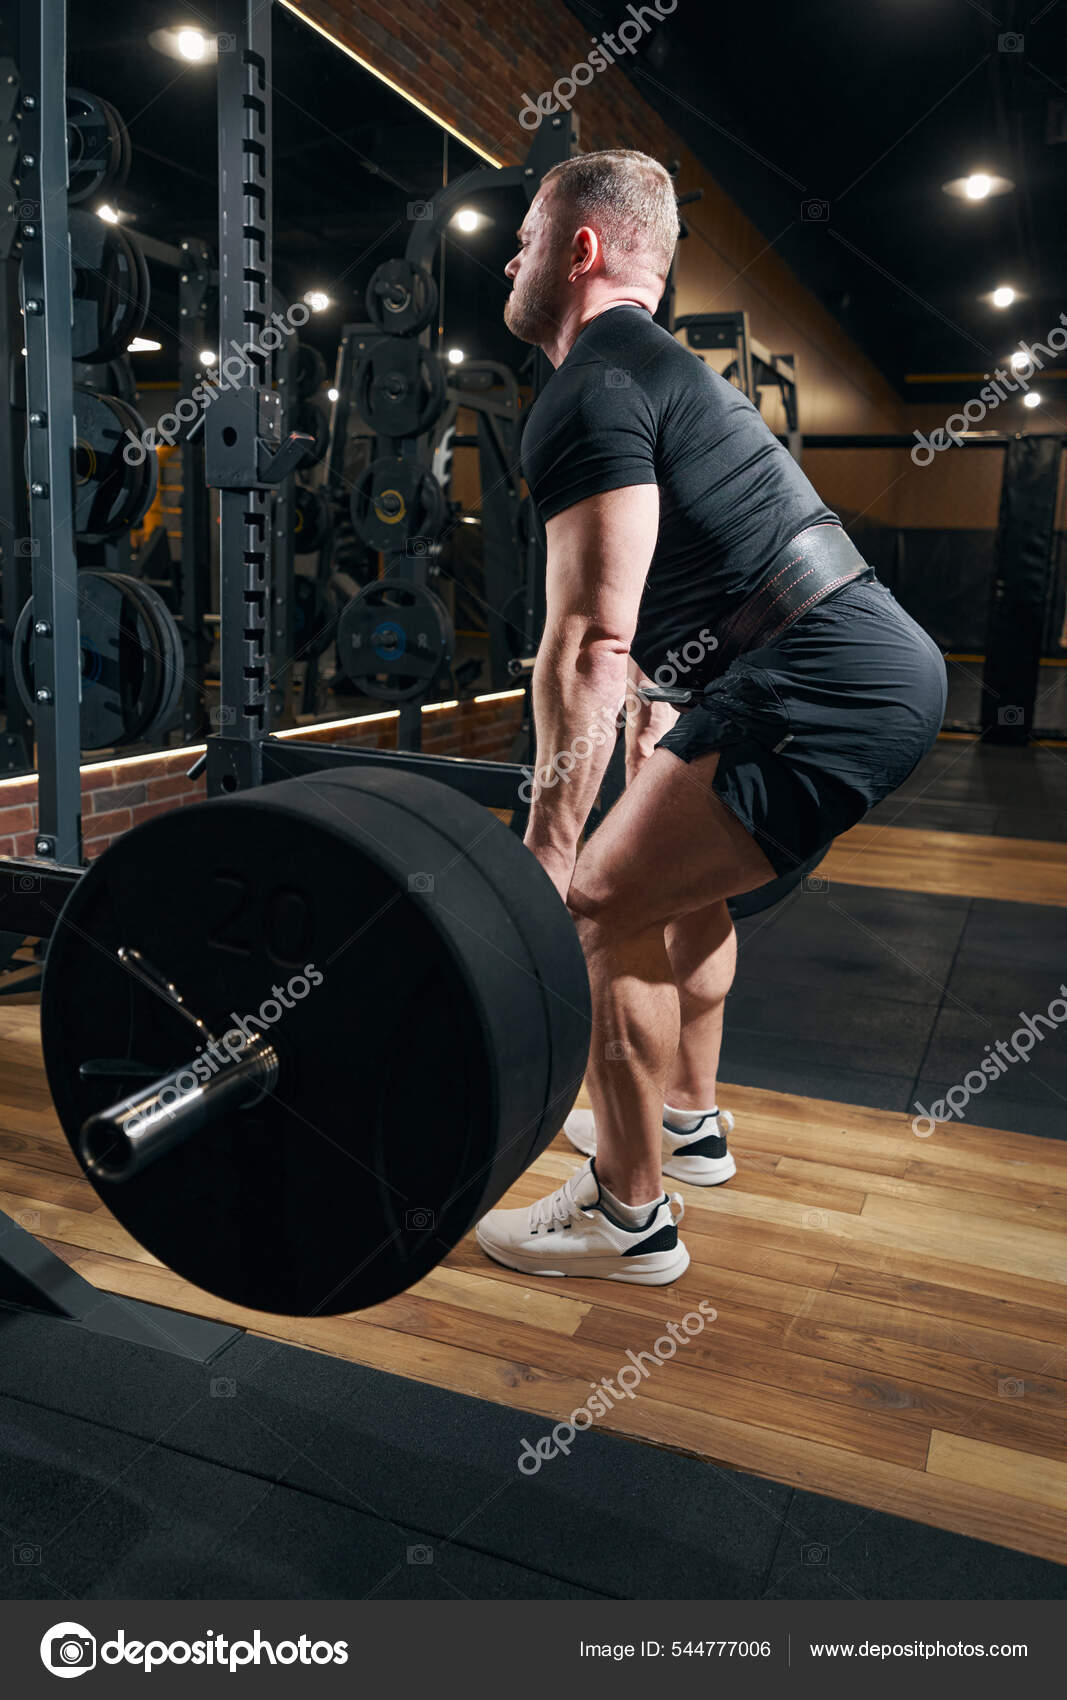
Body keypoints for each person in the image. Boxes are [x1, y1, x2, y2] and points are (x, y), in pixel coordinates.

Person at [474, 149, 947, 1285]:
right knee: (666, 885)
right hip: (831, 661)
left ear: (579, 248)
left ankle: (626, 1215)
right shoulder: (657, 370)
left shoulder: (589, 383)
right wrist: (661, 723)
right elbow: (688, 599)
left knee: (595, 901)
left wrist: (543, 851)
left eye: (527, 237)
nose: (510, 256)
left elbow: (589, 642)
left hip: (819, 675)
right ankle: (682, 1119)